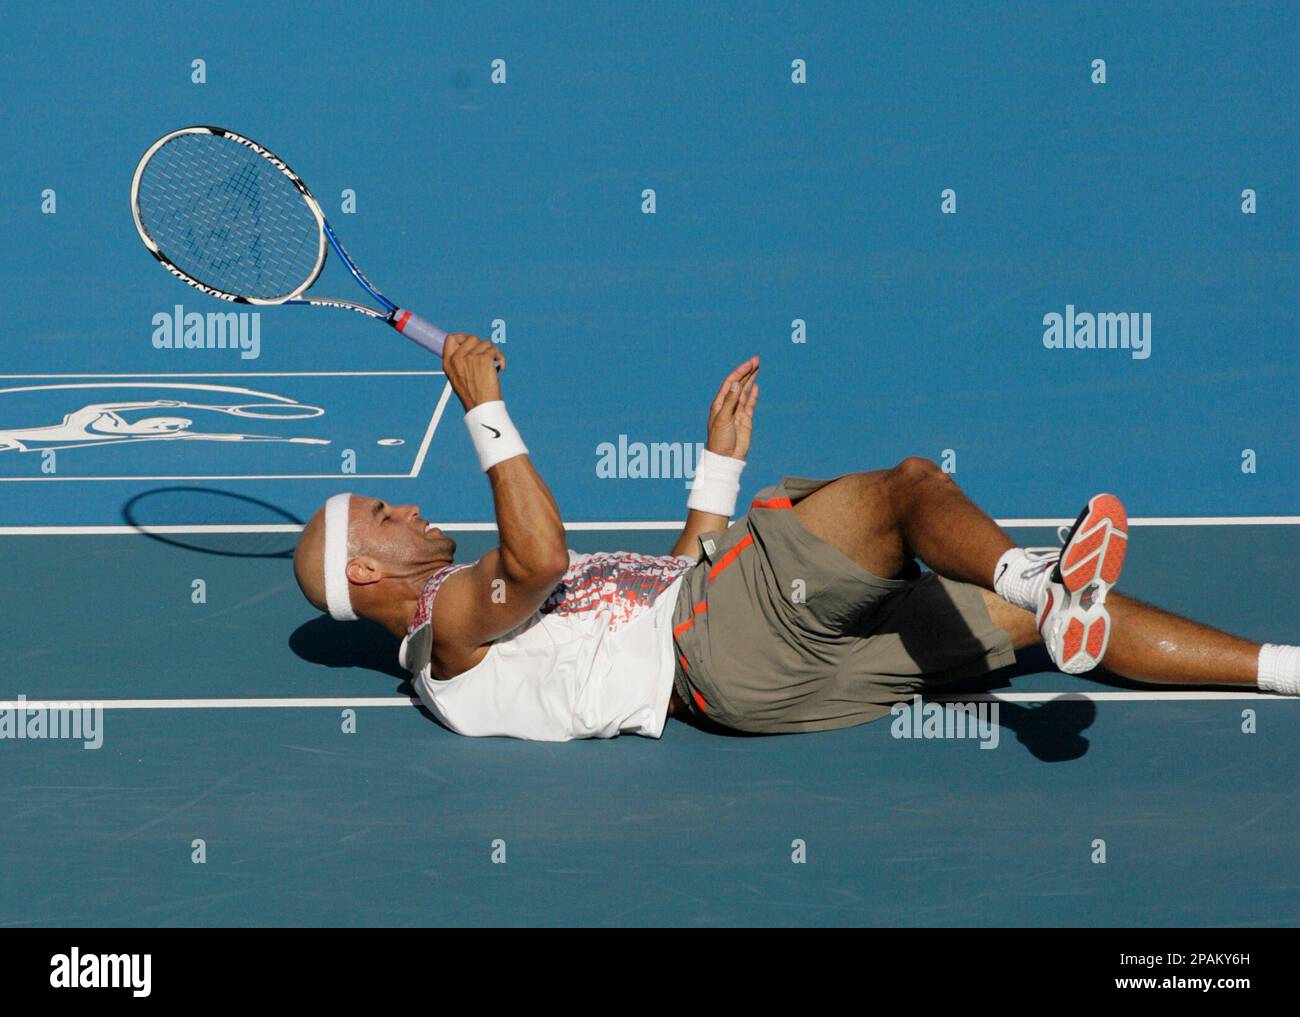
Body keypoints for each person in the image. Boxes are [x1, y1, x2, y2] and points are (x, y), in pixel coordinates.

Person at [293, 334, 1298, 740]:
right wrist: (484, 406)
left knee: (1050, 627)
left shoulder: (480, 619)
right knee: (904, 489)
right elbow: (543, 558)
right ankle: (1034, 570)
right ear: (368, 572)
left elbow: (667, 579)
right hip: (716, 639)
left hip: (742, 683)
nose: (412, 511)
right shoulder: (446, 633)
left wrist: (716, 468)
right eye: (387, 516)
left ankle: (1278, 666)